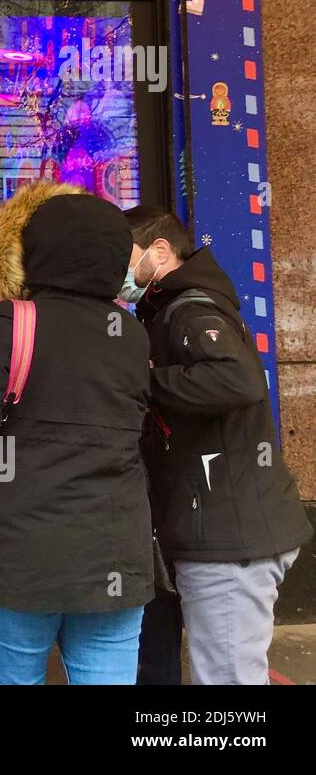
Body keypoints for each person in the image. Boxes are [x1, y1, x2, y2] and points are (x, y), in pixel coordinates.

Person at [0, 182, 153, 685]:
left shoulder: (15, 321)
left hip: (20, 557)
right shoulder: (131, 333)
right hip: (114, 557)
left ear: (36, 251)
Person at [122, 206, 311, 685]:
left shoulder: (190, 309)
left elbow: (237, 381)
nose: (118, 275)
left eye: (126, 259)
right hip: (221, 528)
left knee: (227, 679)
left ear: (160, 252)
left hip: (229, 537)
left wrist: (141, 382)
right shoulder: (174, 308)